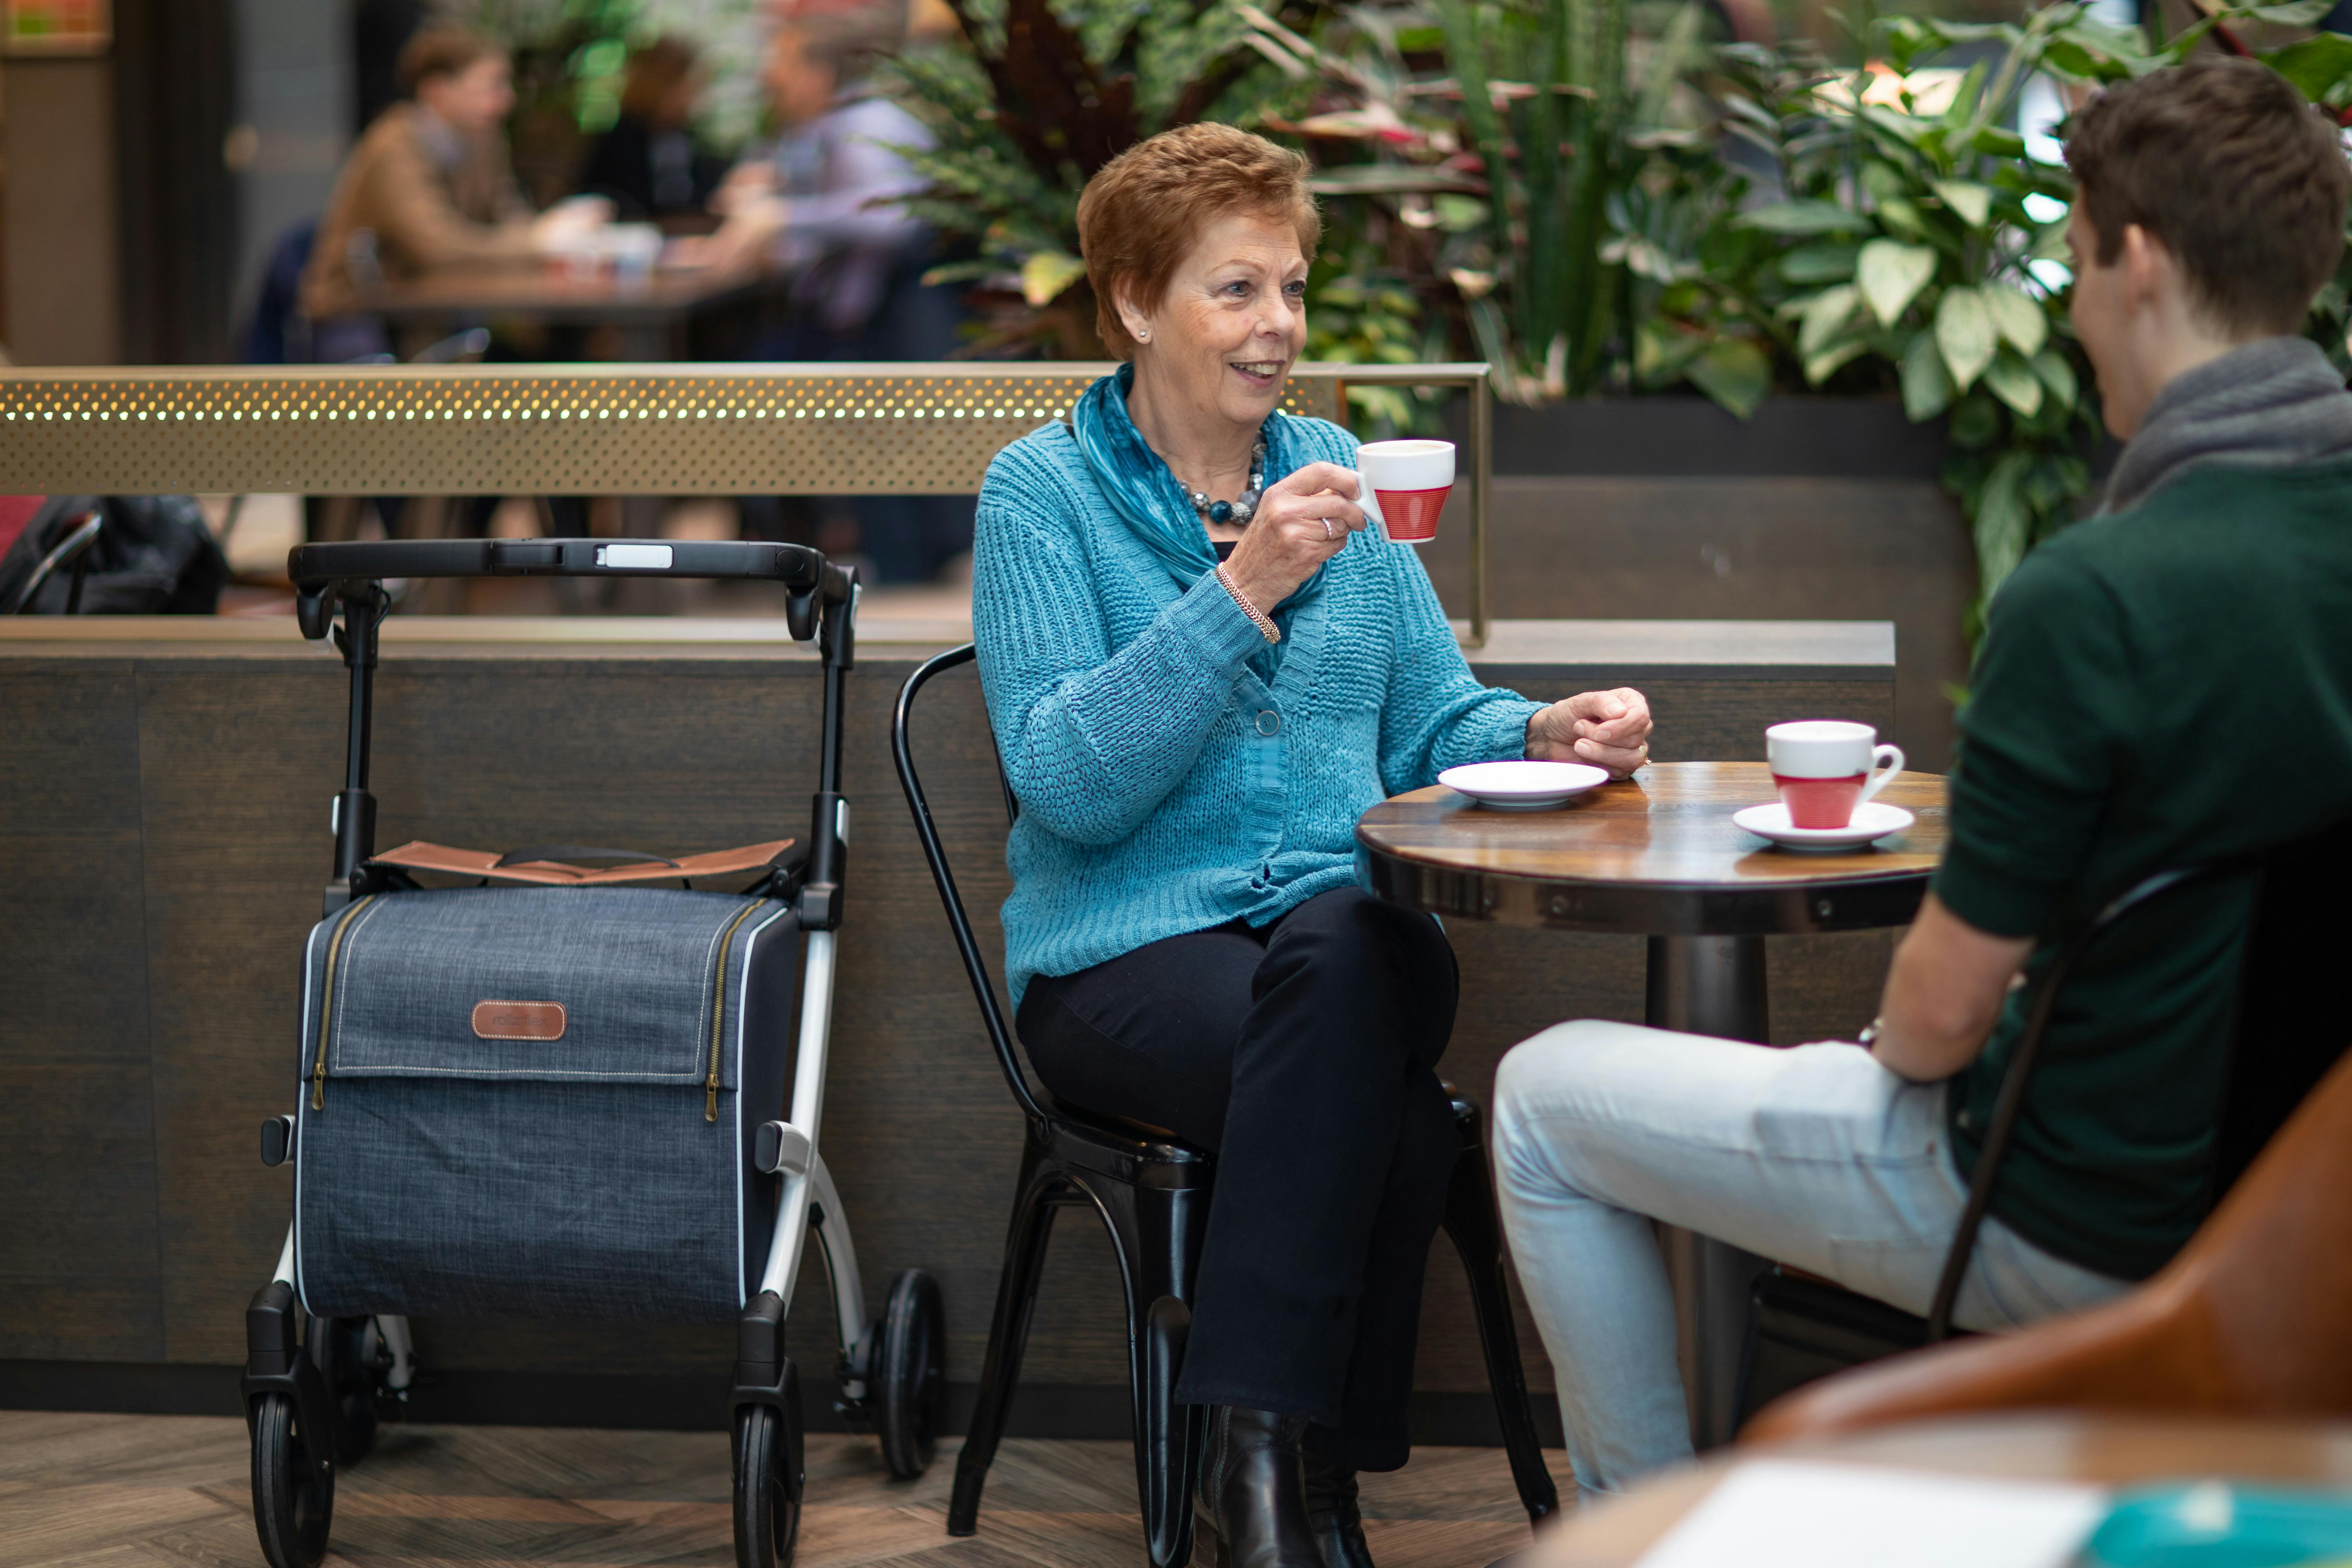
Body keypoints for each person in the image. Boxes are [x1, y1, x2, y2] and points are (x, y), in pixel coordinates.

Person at [1489, 54, 2352, 1500]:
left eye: (2071, 265)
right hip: (2307, 1230)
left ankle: (1636, 1536)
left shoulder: (2096, 594)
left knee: (1538, 1097)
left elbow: (1933, 1024)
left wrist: (1915, 1035)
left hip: (2078, 1219)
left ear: (2133, 263)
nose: (2069, 312)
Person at [971, 123, 1655, 1568]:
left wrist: (1543, 733)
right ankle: (1301, 1484)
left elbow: (1427, 723)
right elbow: (1066, 781)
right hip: (1123, 958)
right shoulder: (1038, 496)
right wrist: (1242, 587)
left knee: (1347, 942)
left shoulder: (1336, 464)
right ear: (1132, 301)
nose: (1275, 325)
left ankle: (1247, 1462)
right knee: (1391, 1111)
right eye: (1234, 291)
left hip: (1330, 946)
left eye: (1287, 289)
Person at [303, 27, 603, 361]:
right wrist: (539, 241)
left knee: (551, 351)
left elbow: (509, 216)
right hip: (364, 321)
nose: (506, 101)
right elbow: (439, 248)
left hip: (442, 313)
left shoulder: (483, 139)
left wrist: (554, 238)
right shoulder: (394, 146)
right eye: (490, 87)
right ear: (438, 91)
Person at [577, 36, 726, 224]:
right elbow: (603, 200)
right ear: (661, 85)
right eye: (688, 85)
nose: (696, 95)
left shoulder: (687, 140)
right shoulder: (620, 143)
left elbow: (703, 196)